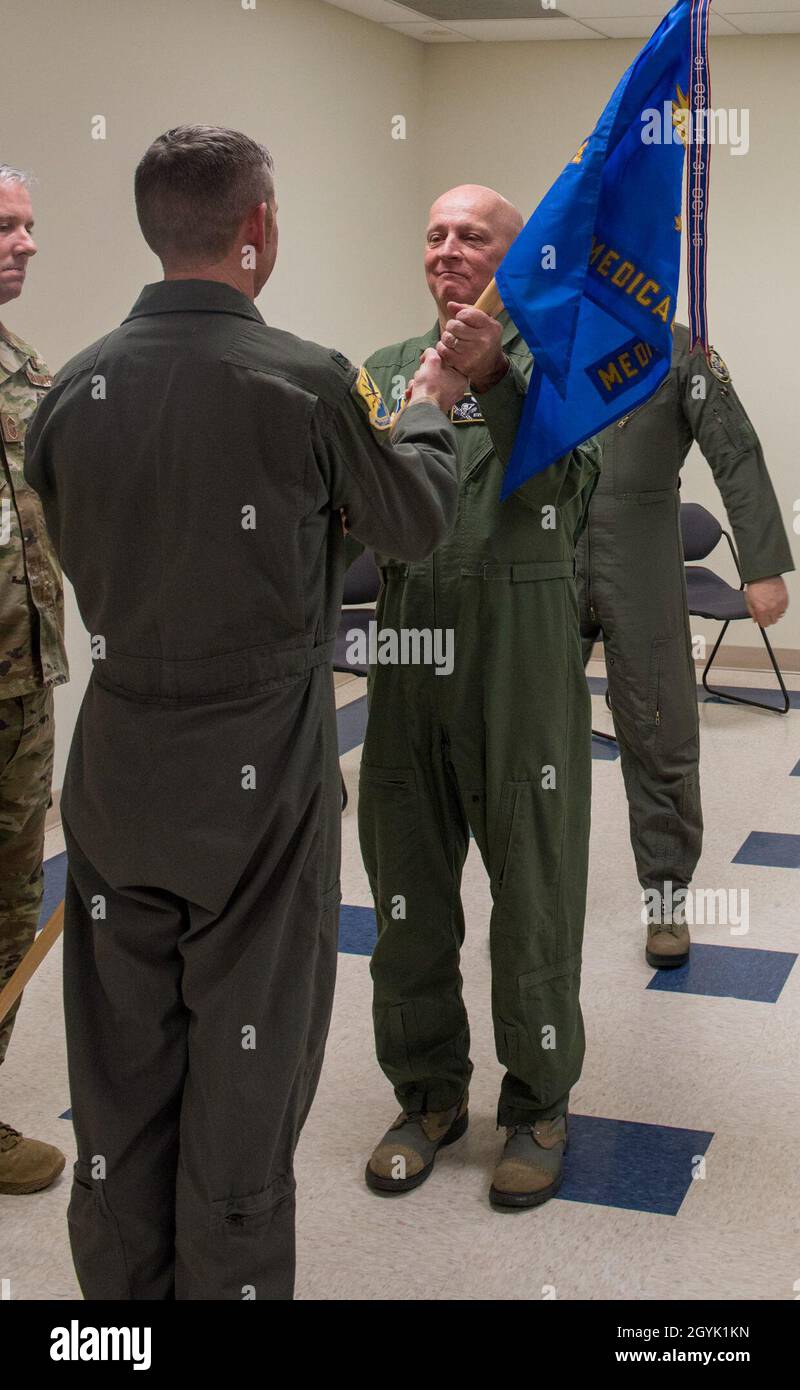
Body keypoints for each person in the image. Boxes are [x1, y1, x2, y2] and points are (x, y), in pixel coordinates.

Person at [24, 125, 464, 1299]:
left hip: (115, 764)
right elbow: (412, 523)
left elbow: (78, 555)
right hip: (257, 773)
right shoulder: (311, 382)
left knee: (118, 1076)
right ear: (256, 229)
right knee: (247, 1068)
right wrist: (430, 407)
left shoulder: (69, 390)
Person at [355, 184, 600, 1209]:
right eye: (435, 233)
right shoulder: (378, 370)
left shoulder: (561, 365)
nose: (448, 249)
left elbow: (568, 493)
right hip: (410, 657)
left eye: (474, 236)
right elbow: (356, 507)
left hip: (521, 659)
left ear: (512, 259)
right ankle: (427, 1095)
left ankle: (537, 1100)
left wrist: (493, 378)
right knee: (406, 893)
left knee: (533, 899)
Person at [578, 324, 793, 967]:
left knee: (660, 728)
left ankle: (667, 900)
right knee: (527, 739)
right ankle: (530, 902)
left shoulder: (682, 352)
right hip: (546, 555)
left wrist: (760, 564)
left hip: (640, 555)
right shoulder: (538, 337)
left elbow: (734, 448)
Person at [0, 164, 68, 1196]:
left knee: (13, 908)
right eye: (5, 227)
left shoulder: (30, 375)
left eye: (27, 225)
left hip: (20, 690)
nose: (26, 242)